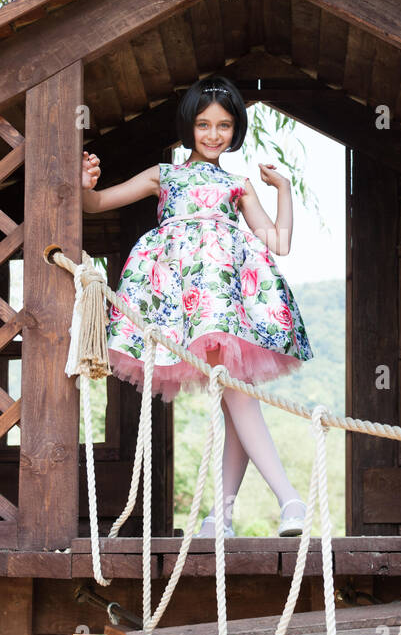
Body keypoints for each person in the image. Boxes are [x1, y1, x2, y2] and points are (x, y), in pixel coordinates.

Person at [81, 75, 314, 538]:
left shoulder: (238, 183)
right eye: (204, 124)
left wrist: (284, 188)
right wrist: (85, 184)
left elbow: (279, 242)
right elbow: (97, 203)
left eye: (224, 126)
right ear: (189, 126)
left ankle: (248, 511)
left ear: (235, 130)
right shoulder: (163, 175)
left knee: (235, 398)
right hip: (186, 299)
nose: (213, 135)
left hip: (228, 300)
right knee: (236, 397)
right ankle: (273, 504)